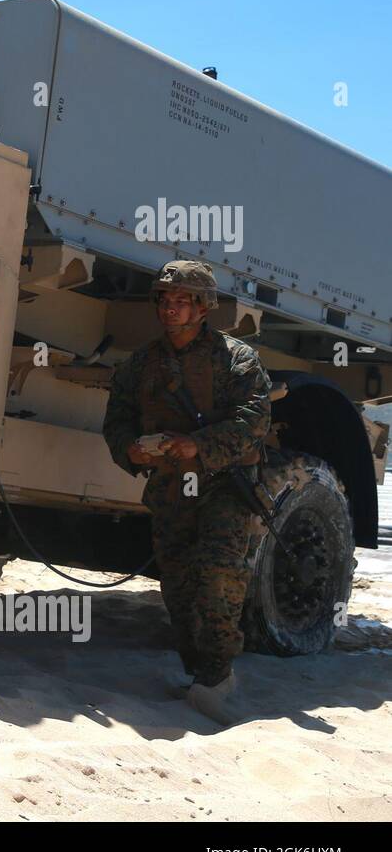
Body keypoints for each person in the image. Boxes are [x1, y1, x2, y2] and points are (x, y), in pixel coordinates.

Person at [102, 260, 271, 726]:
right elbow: (117, 417)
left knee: (219, 573)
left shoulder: (236, 359)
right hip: (171, 486)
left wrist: (200, 444)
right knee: (176, 581)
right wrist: (130, 450)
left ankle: (217, 674)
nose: (171, 308)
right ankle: (197, 669)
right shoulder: (141, 364)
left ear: (203, 309)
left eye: (182, 301)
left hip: (224, 484)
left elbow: (254, 421)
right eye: (165, 300)